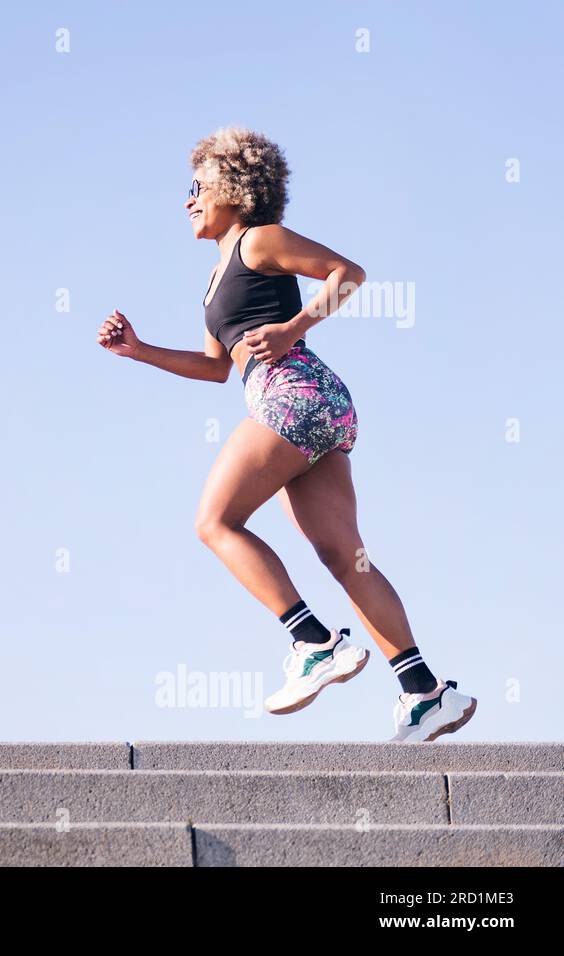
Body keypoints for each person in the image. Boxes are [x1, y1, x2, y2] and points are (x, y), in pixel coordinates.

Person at [96, 127, 475, 742]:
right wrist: (138, 351)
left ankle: (313, 642)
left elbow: (347, 272)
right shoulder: (216, 279)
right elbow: (216, 367)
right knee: (343, 555)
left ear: (236, 189)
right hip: (320, 407)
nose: (187, 200)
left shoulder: (258, 240)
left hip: (291, 394)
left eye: (198, 187)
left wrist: (293, 327)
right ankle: (425, 691)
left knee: (214, 522)